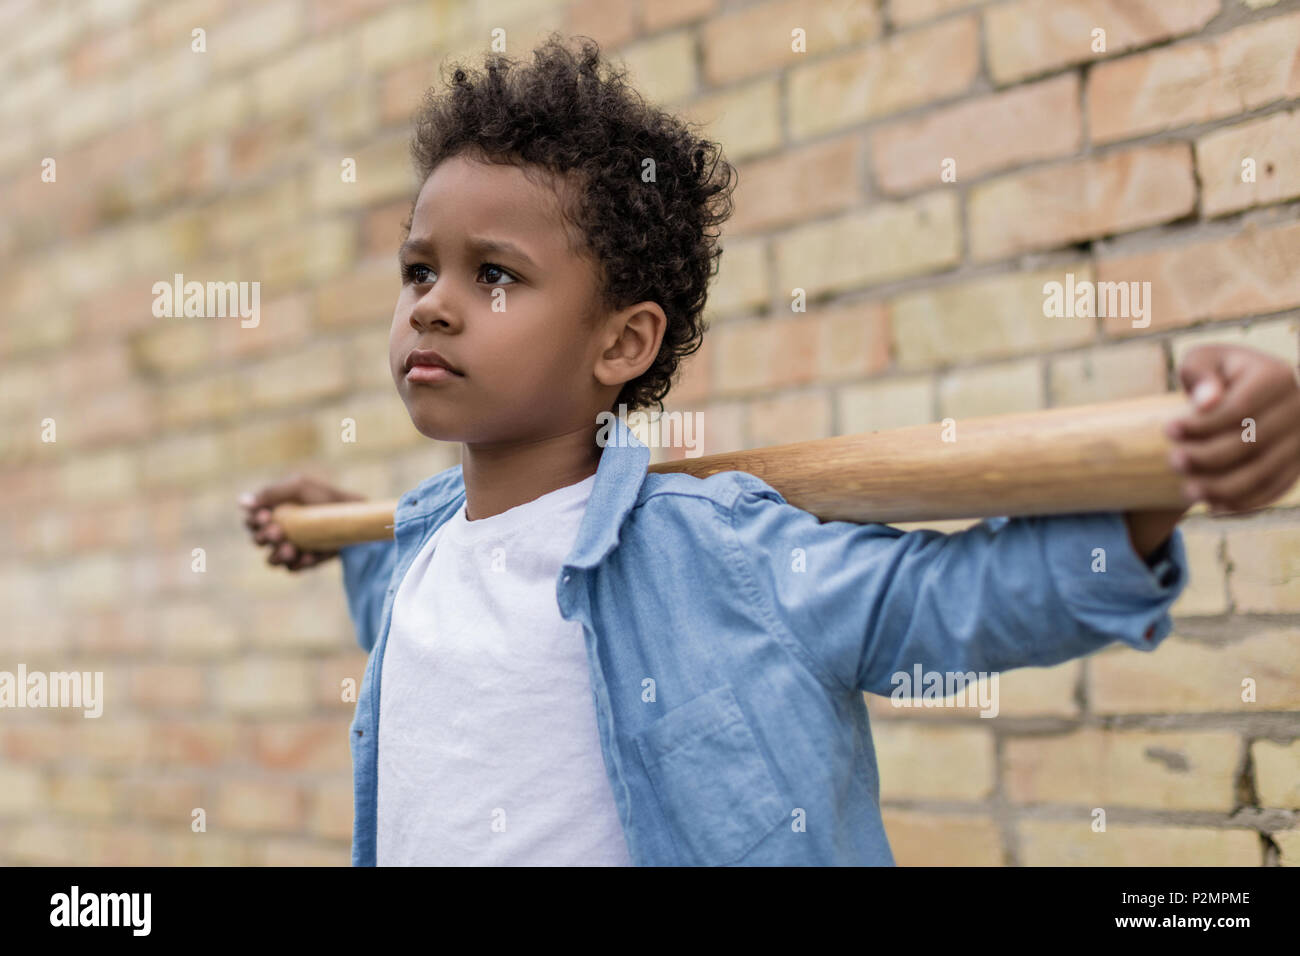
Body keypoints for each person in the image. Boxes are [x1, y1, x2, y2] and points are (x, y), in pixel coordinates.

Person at [240, 35, 1300, 866]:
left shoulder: (726, 559)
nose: (433, 306)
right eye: (418, 268)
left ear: (621, 340)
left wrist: (1179, 467)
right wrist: (332, 527)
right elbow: (442, 629)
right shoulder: (418, 548)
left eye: (496, 275)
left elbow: (953, 602)